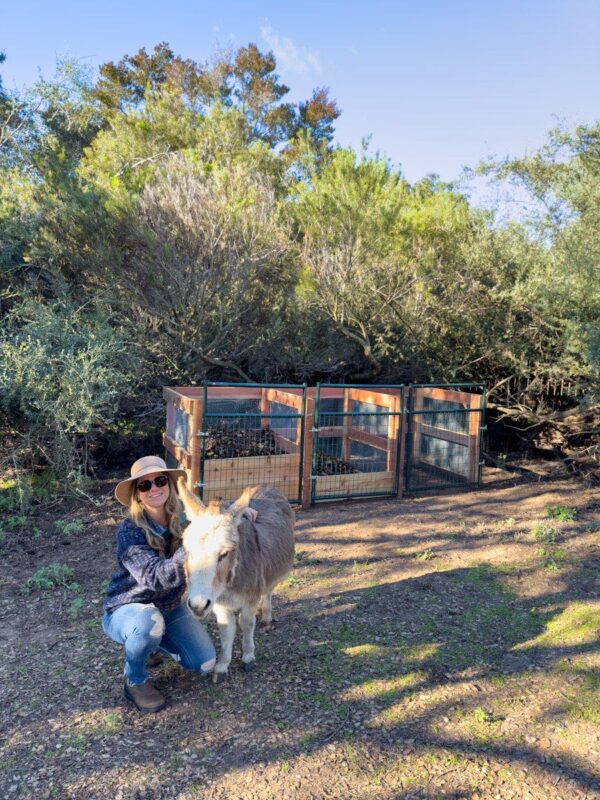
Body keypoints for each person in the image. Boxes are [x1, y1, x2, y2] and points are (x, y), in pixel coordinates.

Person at [102, 455, 217, 714]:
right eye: (144, 485)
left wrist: (244, 512)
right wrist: (191, 547)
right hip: (129, 608)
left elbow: (214, 515)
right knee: (147, 624)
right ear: (137, 495)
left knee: (205, 663)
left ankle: (153, 642)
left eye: (160, 480)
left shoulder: (185, 520)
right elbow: (154, 578)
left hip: (170, 607)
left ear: (169, 484)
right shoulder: (129, 531)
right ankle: (135, 680)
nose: (154, 488)